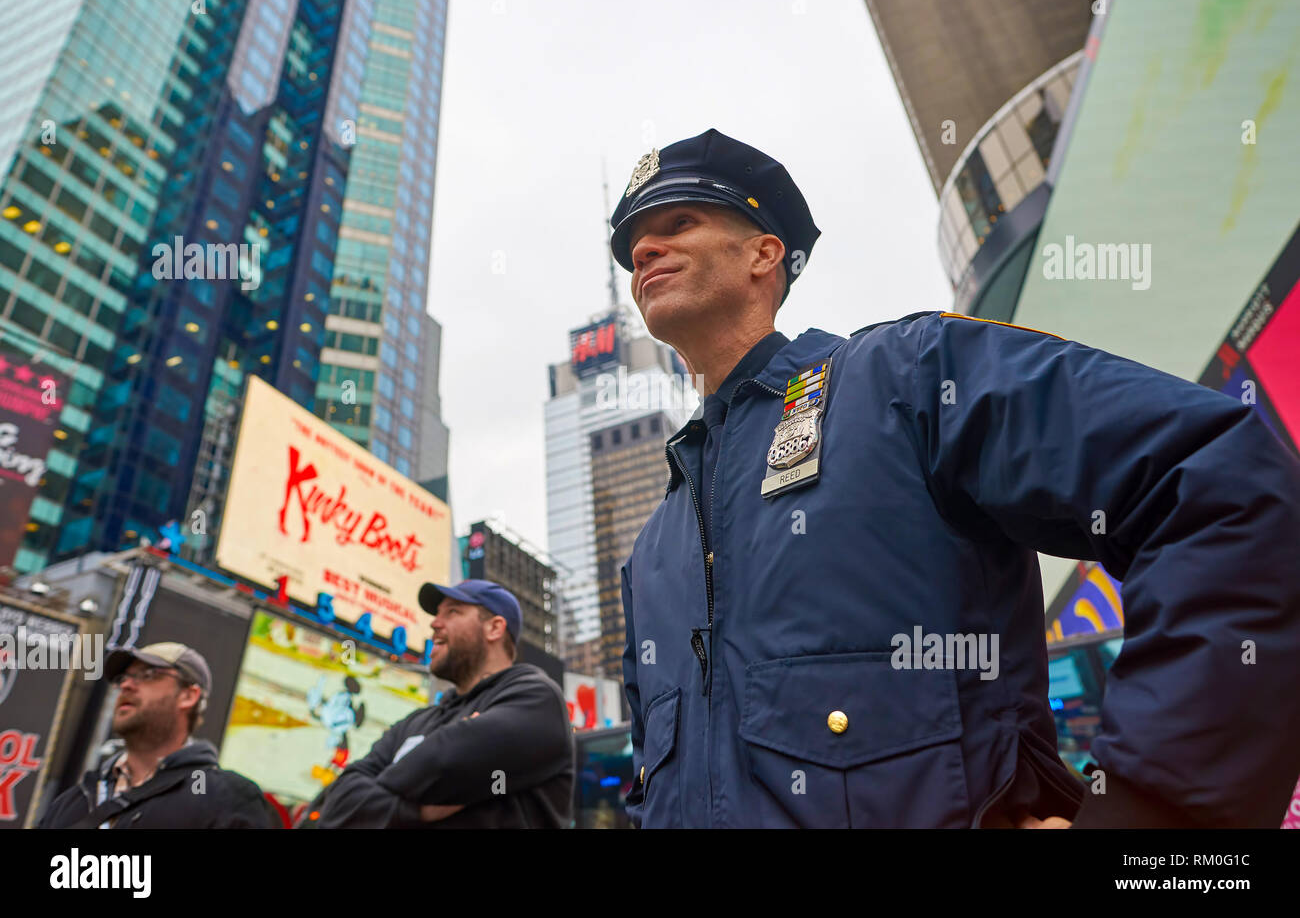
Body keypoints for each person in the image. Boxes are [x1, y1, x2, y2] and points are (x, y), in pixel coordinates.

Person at [610, 127, 1300, 828]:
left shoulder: (909, 377)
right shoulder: (649, 556)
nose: (643, 250)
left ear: (765, 254)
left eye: (679, 222)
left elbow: (1222, 484)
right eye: (634, 244)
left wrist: (1144, 816)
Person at [314, 579, 573, 828]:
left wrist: (377, 792)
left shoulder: (536, 698)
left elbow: (446, 761)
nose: (435, 623)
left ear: (494, 628)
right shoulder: (416, 721)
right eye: (438, 614)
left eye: (453, 612)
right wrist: (413, 811)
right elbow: (336, 803)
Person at [38, 642, 279, 828]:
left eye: (149, 674)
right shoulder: (72, 801)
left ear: (188, 696)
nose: (127, 686)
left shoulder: (224, 797)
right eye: (123, 678)